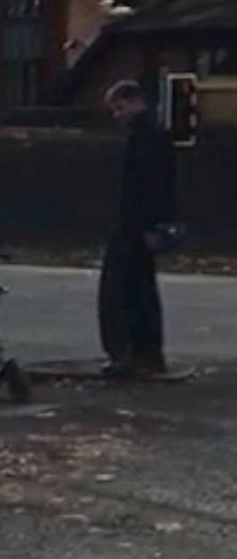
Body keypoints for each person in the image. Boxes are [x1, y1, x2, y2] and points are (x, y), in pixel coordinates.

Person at [100, 80, 179, 377]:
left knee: (123, 291)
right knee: (140, 288)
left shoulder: (145, 139)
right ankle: (144, 352)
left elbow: (149, 187)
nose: (117, 115)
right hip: (139, 225)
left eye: (119, 108)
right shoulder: (153, 136)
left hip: (134, 226)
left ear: (134, 102)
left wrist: (146, 224)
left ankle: (128, 352)